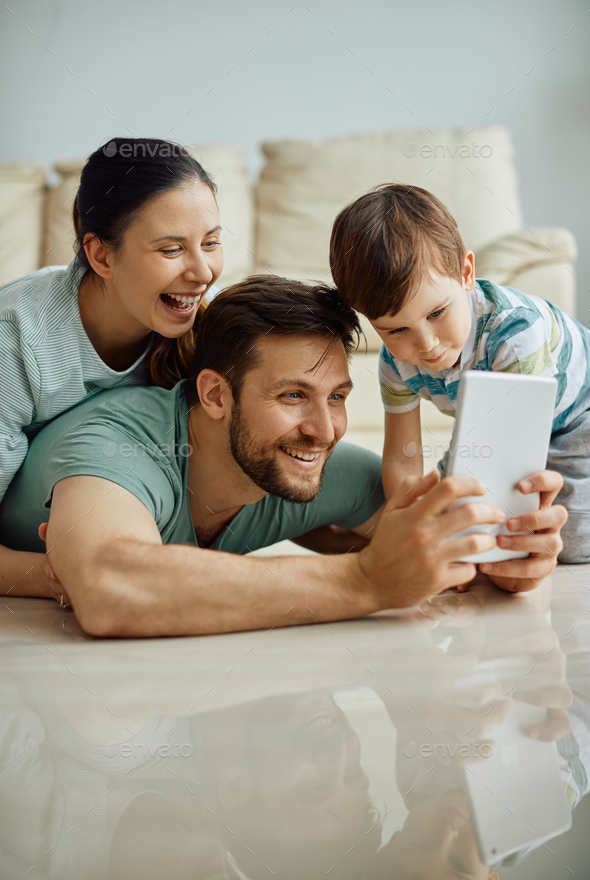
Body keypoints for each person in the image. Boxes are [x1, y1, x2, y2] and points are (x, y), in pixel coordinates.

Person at [0, 277, 566, 637]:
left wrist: (507, 559)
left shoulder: (313, 467)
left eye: (338, 397)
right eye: (293, 395)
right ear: (215, 395)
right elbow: (107, 590)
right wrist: (364, 579)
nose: (324, 431)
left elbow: (432, 544)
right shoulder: (115, 444)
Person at [0, 136, 223, 598]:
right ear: (102, 255)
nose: (203, 272)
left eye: (211, 242)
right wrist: (61, 573)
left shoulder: (196, 325)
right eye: (171, 250)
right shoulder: (18, 340)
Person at [329, 183, 584, 563]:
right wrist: (408, 527)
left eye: (436, 313)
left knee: (571, 541)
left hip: (578, 416)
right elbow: (403, 458)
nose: (427, 345)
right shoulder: (394, 364)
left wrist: (484, 539)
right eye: (396, 330)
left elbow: (514, 454)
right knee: (450, 511)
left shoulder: (515, 336)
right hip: (494, 428)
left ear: (466, 273)